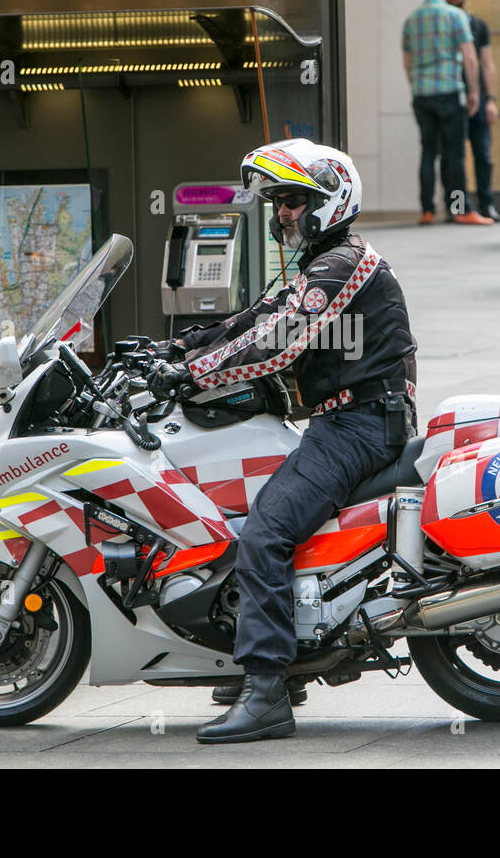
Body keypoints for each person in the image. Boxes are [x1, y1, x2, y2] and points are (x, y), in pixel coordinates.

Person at [148, 139, 417, 743]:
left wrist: (190, 374)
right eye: (277, 202)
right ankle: (271, 646)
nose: (281, 214)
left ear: (329, 201)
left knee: (266, 533)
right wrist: (175, 349)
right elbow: (254, 317)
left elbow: (280, 341)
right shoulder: (322, 262)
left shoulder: (342, 264)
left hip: (360, 427)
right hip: (348, 421)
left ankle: (269, 689)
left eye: (292, 200)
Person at [402, 0, 489, 226]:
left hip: (422, 94)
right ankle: (461, 209)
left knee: (428, 151)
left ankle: (427, 210)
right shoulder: (455, 16)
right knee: (455, 154)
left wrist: (417, 86)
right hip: (450, 91)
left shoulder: (411, 20)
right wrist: (474, 91)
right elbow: (470, 58)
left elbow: (406, 62)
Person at [444, 0, 500, 221]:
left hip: (477, 99)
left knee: (483, 155)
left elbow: (487, 63)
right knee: (453, 157)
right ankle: (457, 208)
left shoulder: (478, 25)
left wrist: (491, 99)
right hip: (450, 99)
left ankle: (487, 204)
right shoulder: (440, 26)